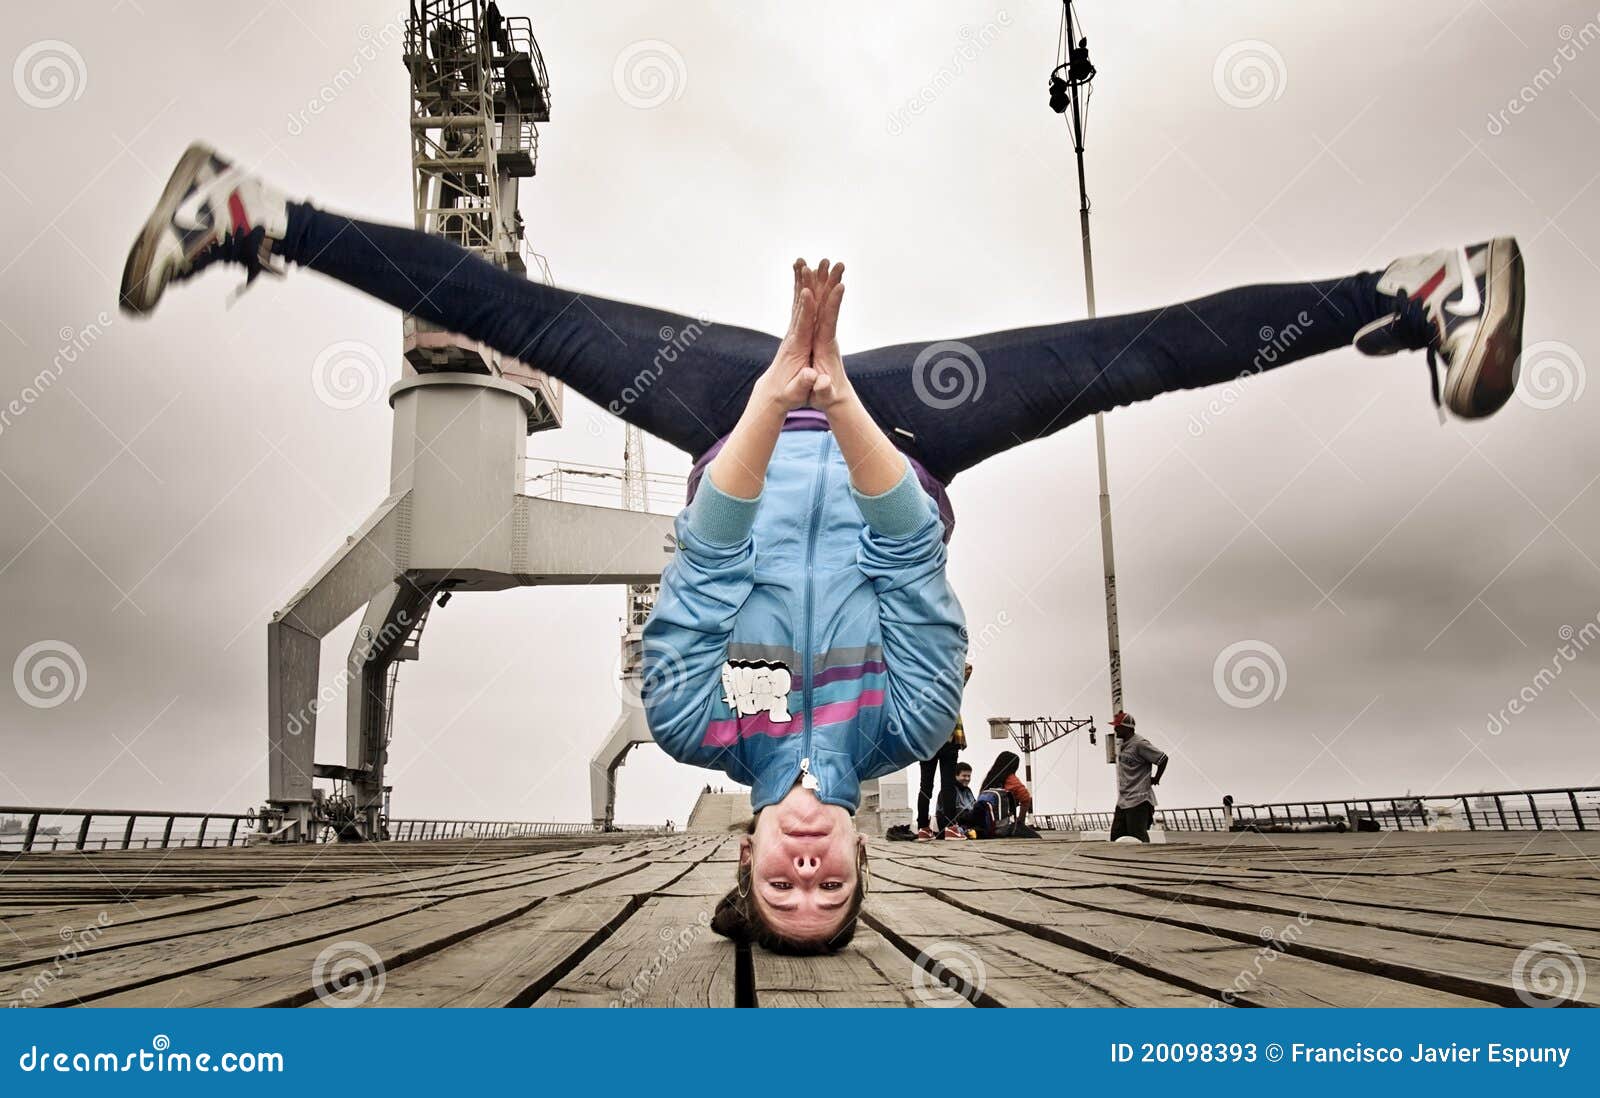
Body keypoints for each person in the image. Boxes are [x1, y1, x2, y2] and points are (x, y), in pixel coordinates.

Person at [120, 143, 1527, 951]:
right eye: (829, 883)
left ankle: (251, 212)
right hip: (900, 429)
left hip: (731, 411)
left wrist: (774, 388)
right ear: (858, 854)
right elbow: (908, 558)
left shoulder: (702, 724)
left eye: (781, 885)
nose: (805, 864)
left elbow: (710, 557)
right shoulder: (905, 727)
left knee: (522, 319)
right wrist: (841, 393)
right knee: (1127, 357)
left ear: (743, 865)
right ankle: (1415, 288)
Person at [916, 661, 972, 839]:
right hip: (949, 738)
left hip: (926, 740)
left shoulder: (920, 685)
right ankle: (950, 827)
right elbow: (967, 667)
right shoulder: (952, 687)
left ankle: (923, 828)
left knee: (925, 786)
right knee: (948, 784)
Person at [1109, 711, 1168, 843]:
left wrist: (1156, 778)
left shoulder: (1140, 744)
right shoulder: (1122, 745)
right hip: (1123, 800)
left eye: (1118, 726)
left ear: (1127, 728)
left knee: (1137, 836)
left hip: (1139, 800)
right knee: (1116, 836)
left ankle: (1146, 855)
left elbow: (1163, 758)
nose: (1115, 729)